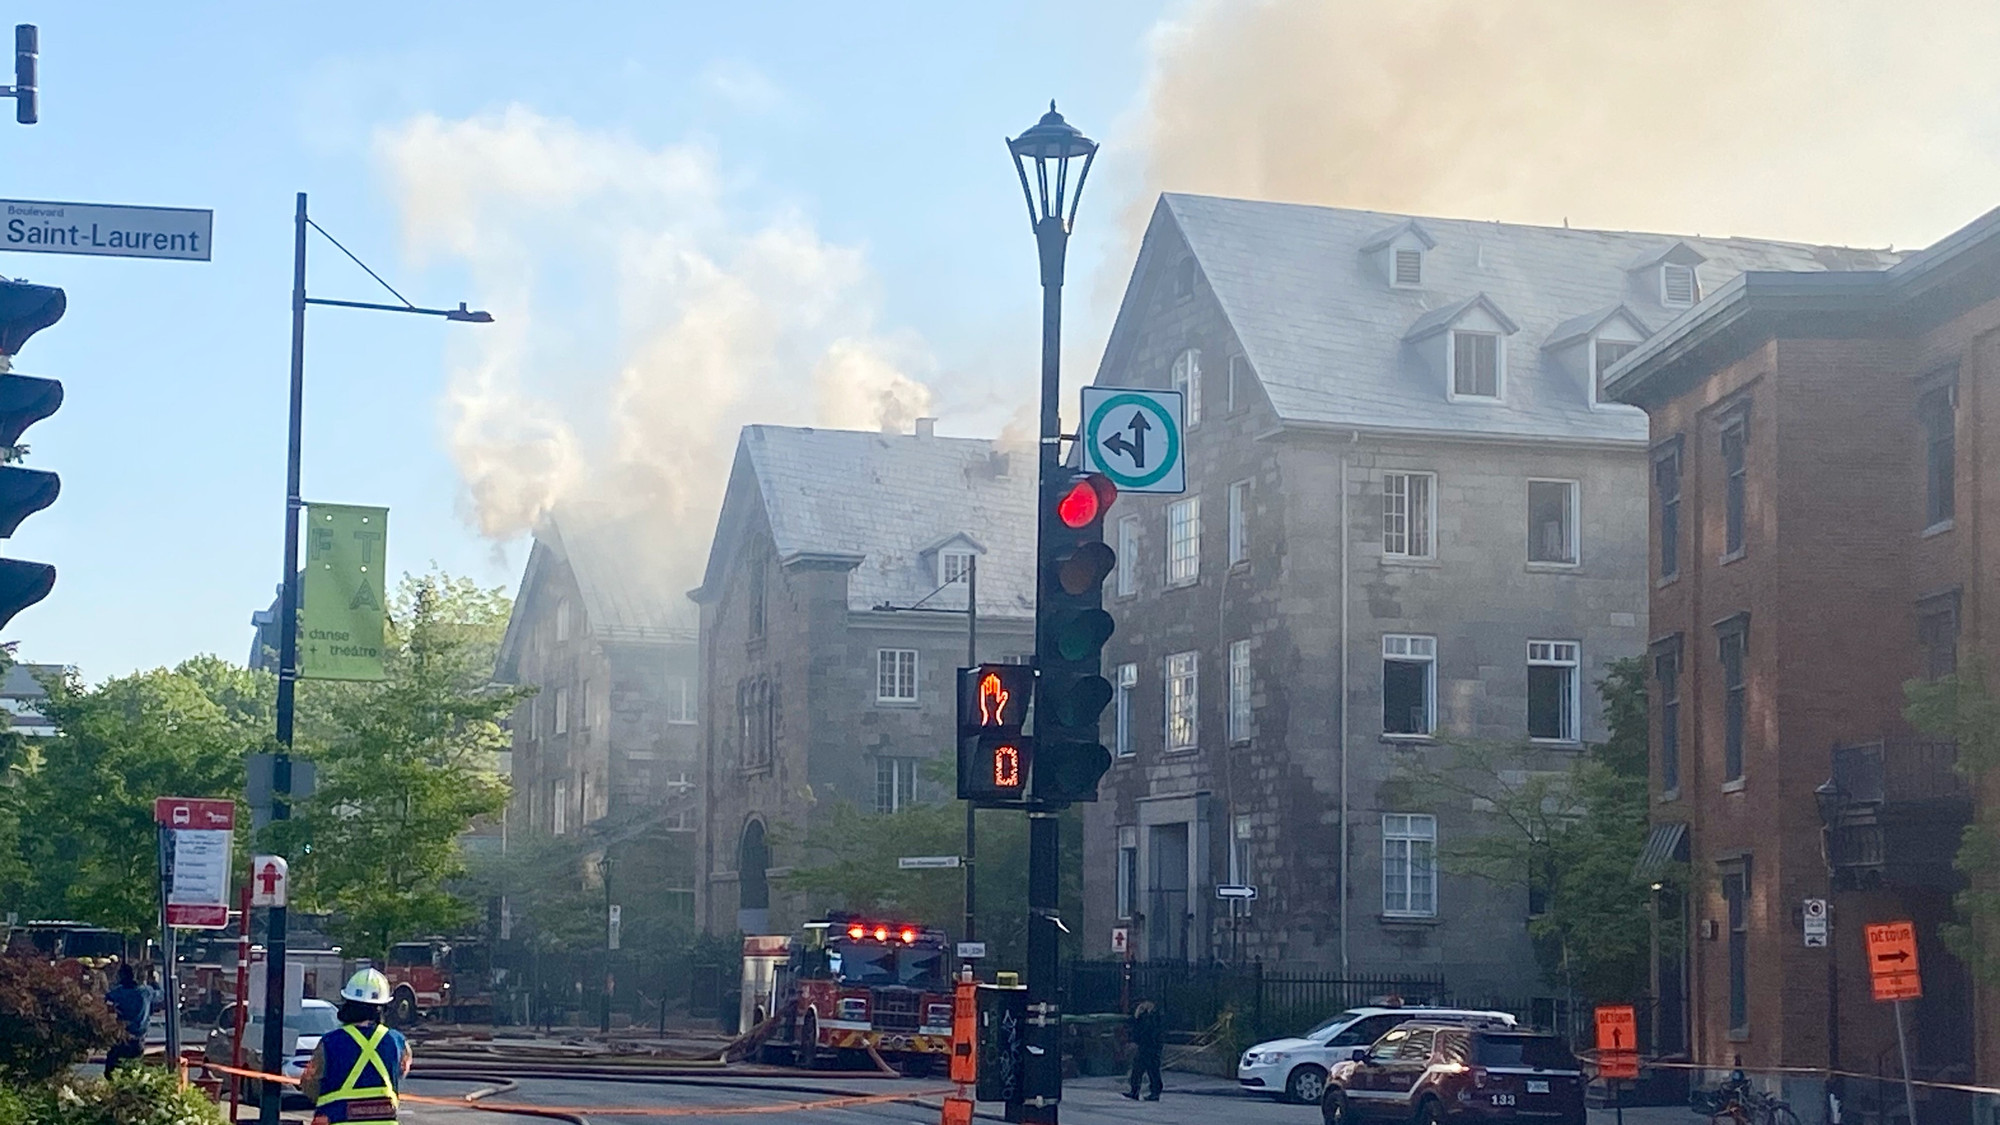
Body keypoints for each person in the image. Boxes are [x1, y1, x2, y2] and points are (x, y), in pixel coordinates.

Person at [299, 969, 411, 1125]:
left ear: (348, 1004)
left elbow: (310, 1084)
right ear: (383, 1007)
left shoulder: (329, 1043)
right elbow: (401, 1072)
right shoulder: (397, 1041)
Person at [104, 964, 153, 1074]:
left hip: (122, 1037)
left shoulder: (118, 993)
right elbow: (160, 995)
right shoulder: (145, 992)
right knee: (134, 1070)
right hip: (139, 1038)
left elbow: (106, 1001)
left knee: (112, 1070)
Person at [1123, 999, 1163, 1101]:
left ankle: (1149, 1092)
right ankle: (1138, 1091)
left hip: (1149, 1047)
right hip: (1148, 1047)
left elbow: (1144, 1031)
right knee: (1142, 1070)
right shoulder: (1150, 1016)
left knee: (1149, 1071)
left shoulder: (1150, 1017)